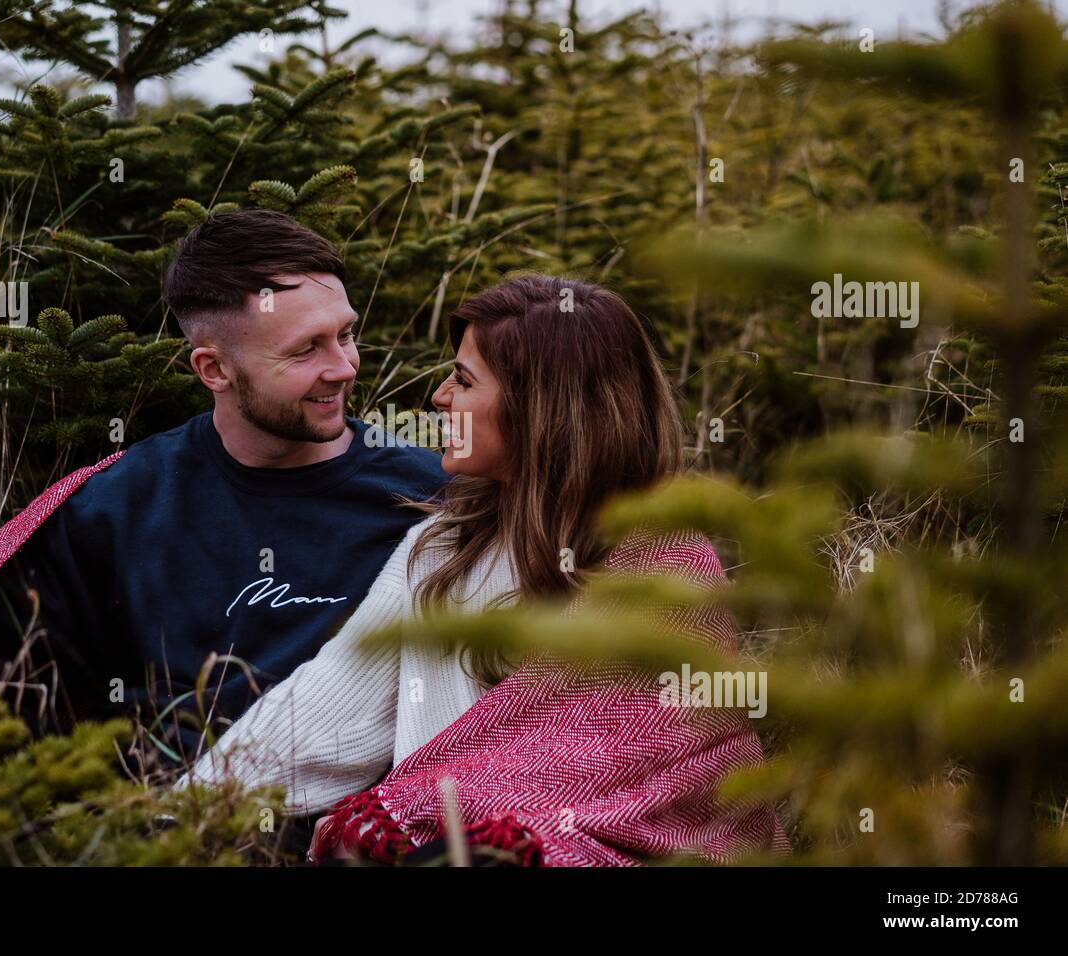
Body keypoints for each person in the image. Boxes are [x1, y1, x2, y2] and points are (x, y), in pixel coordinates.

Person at [0, 210, 449, 778]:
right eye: (307, 351)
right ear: (213, 369)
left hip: (373, 821)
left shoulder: (428, 493)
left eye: (347, 334)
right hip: (173, 819)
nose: (344, 367)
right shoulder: (124, 504)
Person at [178, 273, 791, 866]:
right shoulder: (441, 551)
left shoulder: (663, 563)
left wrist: (504, 818)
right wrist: (169, 822)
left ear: (538, 409)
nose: (440, 397)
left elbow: (666, 766)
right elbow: (321, 714)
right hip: (435, 844)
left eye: (463, 380)